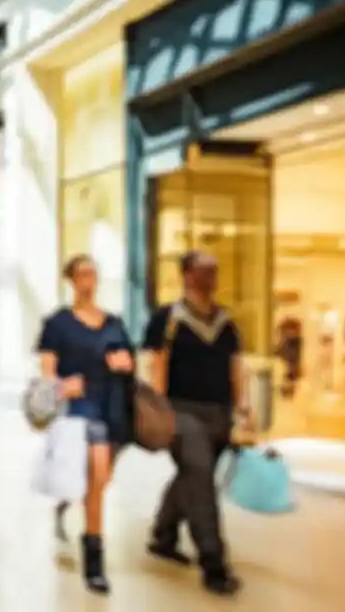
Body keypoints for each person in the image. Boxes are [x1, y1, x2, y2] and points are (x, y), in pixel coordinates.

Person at [143, 251, 245, 596]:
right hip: (181, 411)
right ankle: (214, 562)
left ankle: (163, 534)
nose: (210, 276)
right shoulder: (166, 318)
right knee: (200, 478)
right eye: (203, 270)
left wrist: (242, 409)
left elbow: (235, 366)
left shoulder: (226, 321)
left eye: (213, 270)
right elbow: (157, 366)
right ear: (186, 275)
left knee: (193, 475)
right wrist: (159, 410)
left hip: (220, 413)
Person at [37, 255, 136, 595]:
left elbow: (128, 358)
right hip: (80, 409)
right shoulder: (57, 324)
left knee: (99, 478)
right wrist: (63, 387)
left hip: (112, 406)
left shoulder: (114, 322)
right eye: (81, 274)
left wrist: (124, 363)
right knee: (96, 472)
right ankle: (94, 558)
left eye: (93, 273)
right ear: (70, 280)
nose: (88, 280)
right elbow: (47, 374)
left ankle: (68, 504)